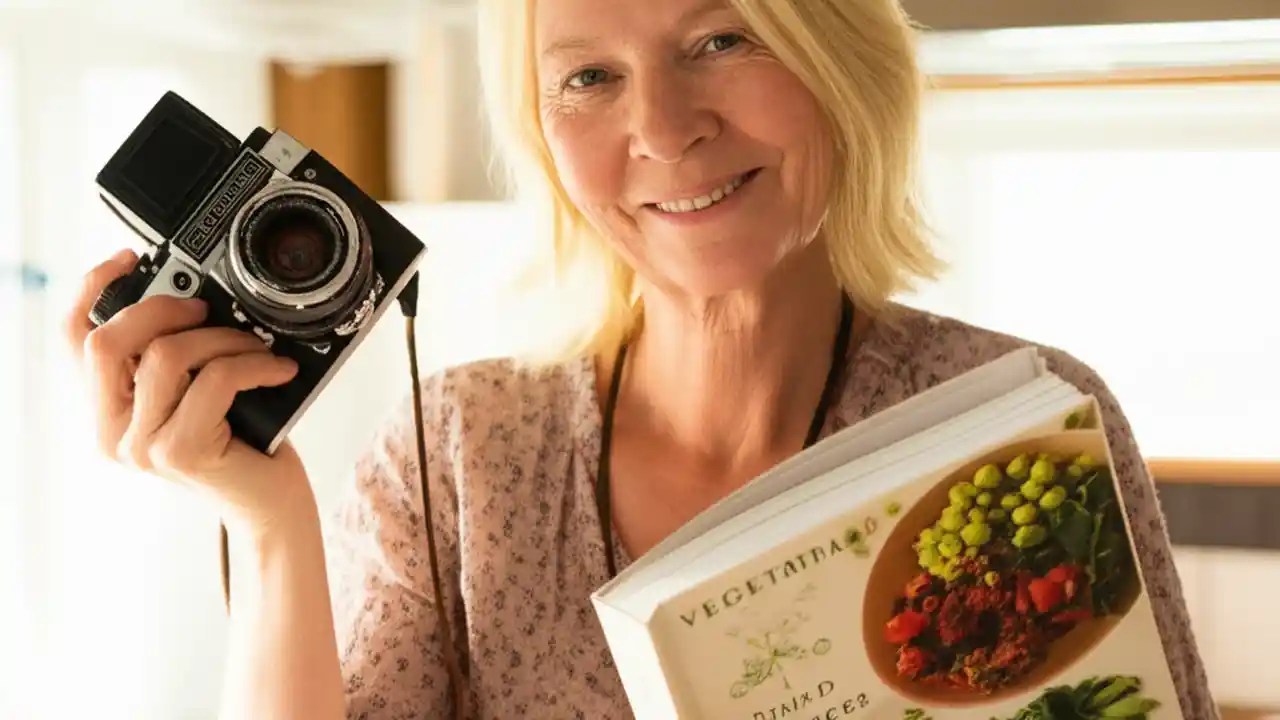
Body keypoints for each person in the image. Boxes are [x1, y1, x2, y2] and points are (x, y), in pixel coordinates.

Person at [63, 0, 1218, 718]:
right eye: (588, 76)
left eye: (721, 38)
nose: (663, 130)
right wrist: (266, 524)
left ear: (840, 60)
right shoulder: (460, 450)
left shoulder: (1021, 417)